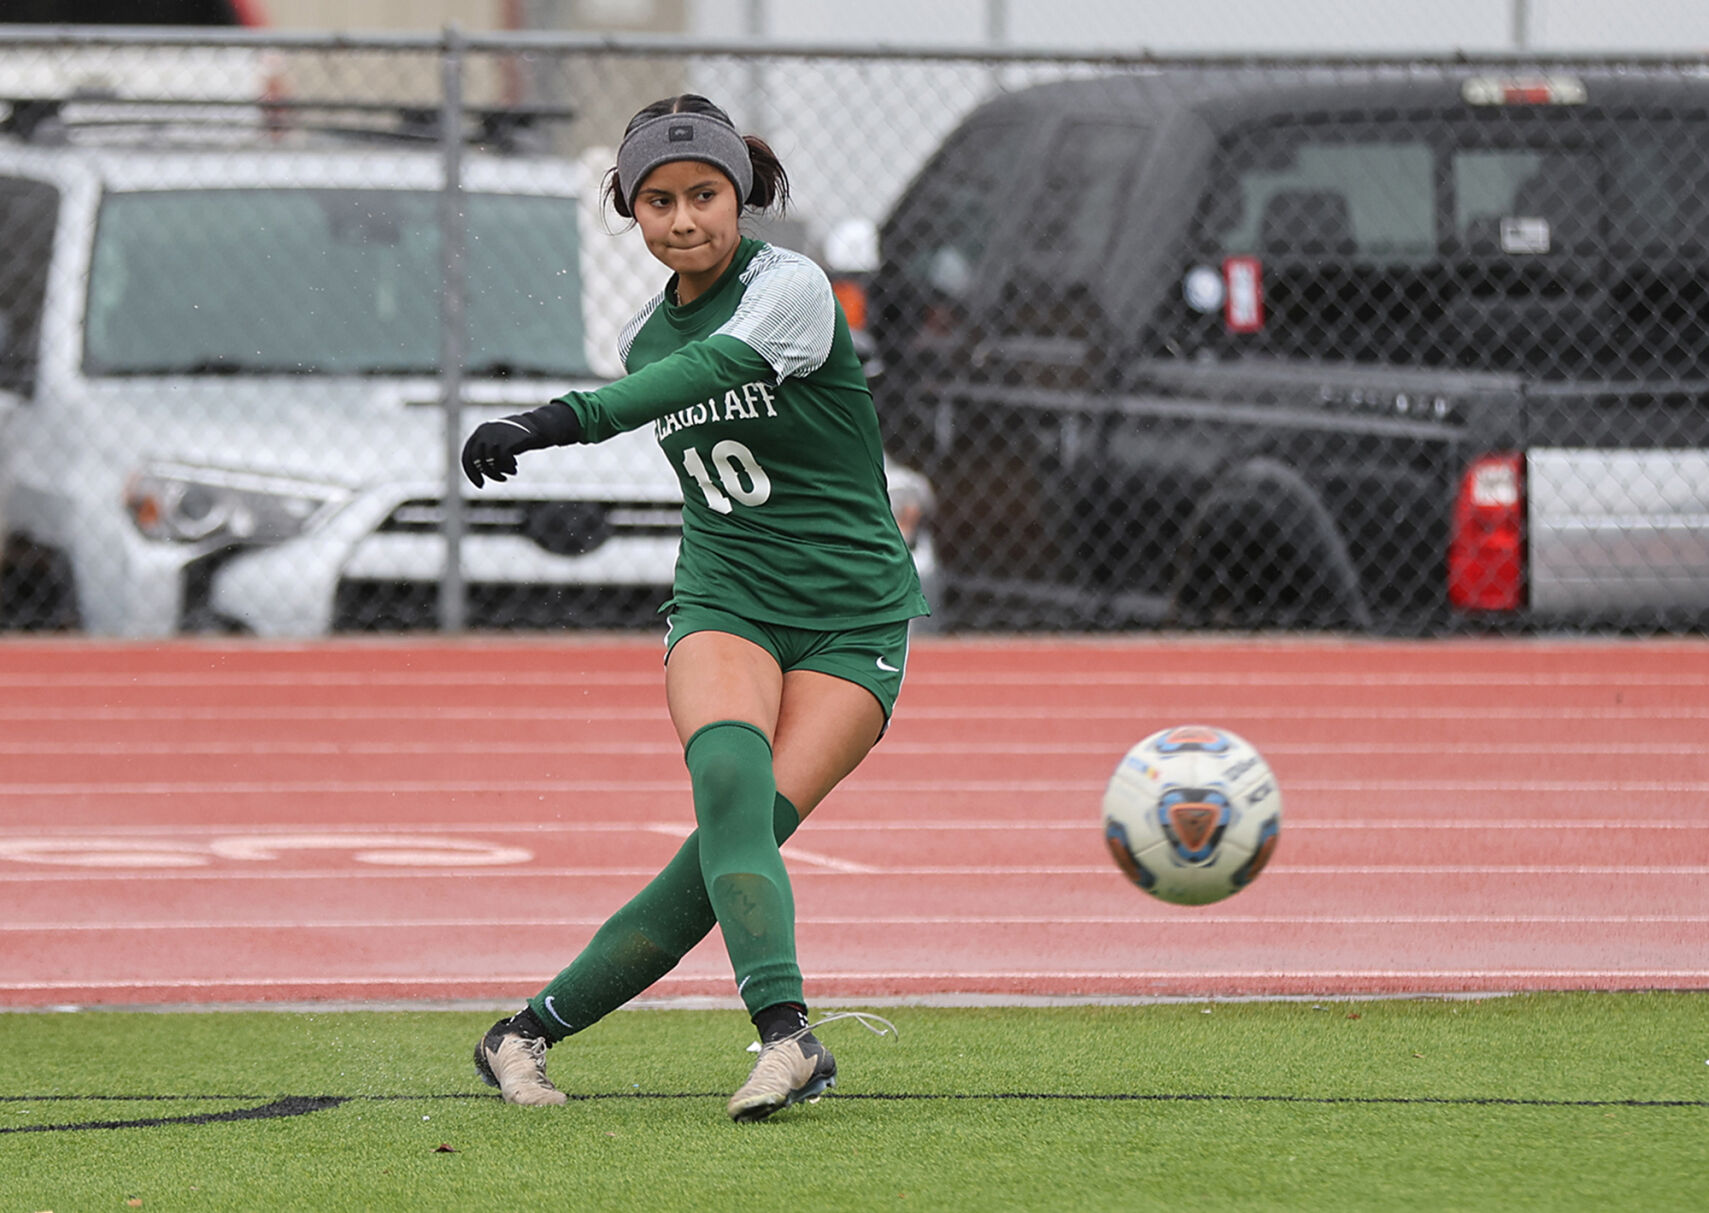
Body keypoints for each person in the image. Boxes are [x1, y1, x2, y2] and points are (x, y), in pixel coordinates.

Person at [460, 94, 928, 1123]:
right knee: (727, 779)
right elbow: (676, 375)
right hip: (725, 594)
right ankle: (787, 1037)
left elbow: (714, 367)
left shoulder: (792, 287)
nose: (683, 219)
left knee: (722, 851)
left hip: (852, 618)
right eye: (658, 199)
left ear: (741, 194)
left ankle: (521, 1032)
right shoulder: (640, 337)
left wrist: (549, 421)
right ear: (630, 209)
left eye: (703, 195)